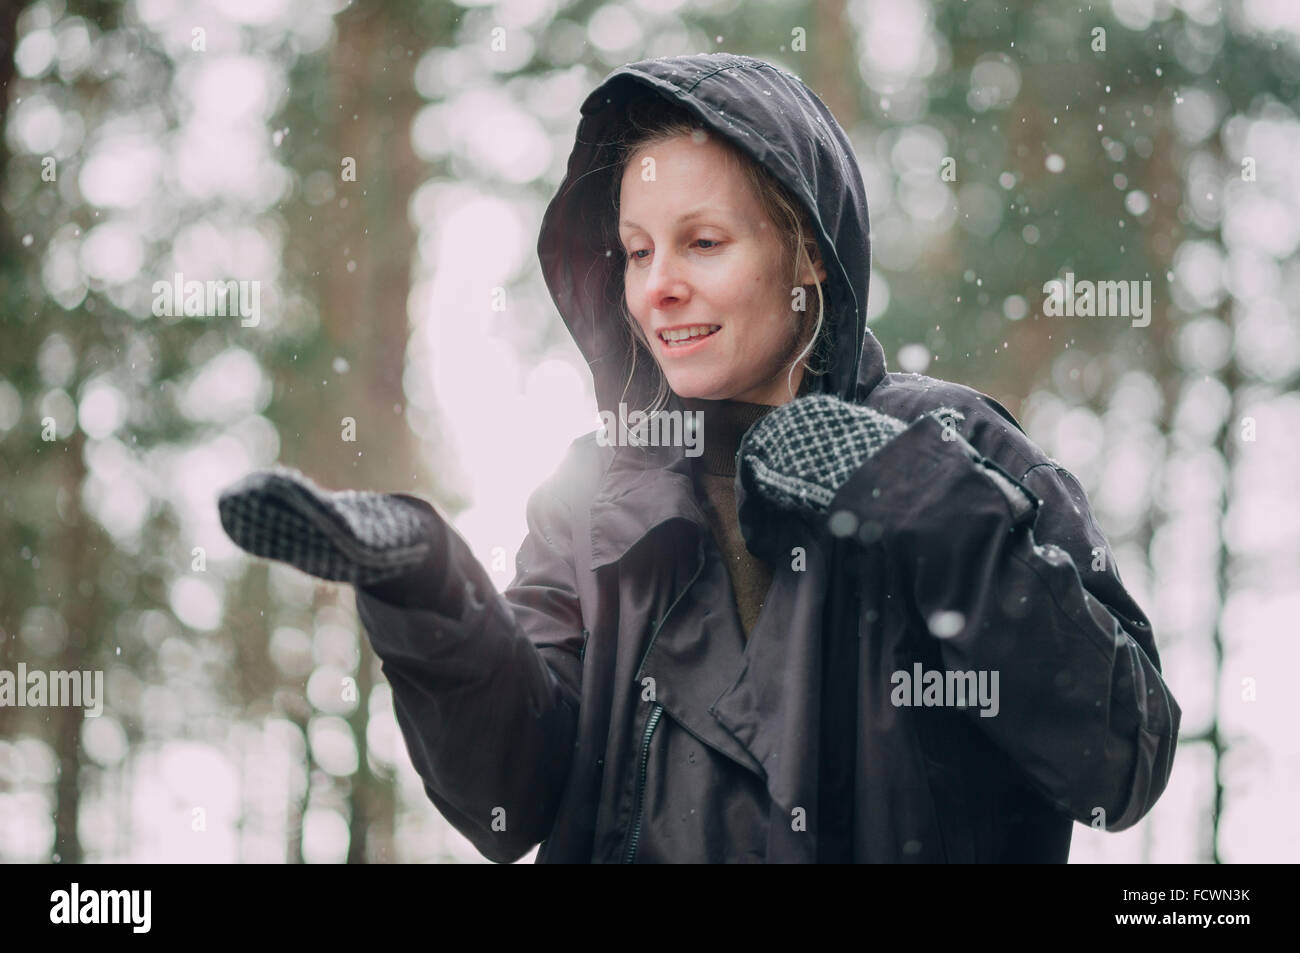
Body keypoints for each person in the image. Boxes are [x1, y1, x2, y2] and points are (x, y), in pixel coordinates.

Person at [218, 52, 1181, 863]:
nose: (659, 288)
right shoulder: (591, 494)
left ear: (807, 252)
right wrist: (430, 595)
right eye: (637, 252)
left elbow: (1119, 761)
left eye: (704, 242)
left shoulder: (958, 444)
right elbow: (509, 798)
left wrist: (932, 506)